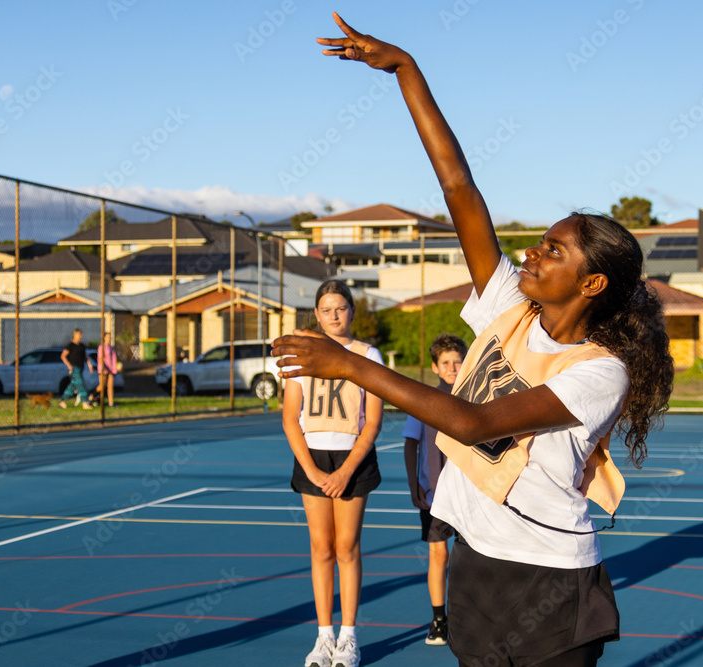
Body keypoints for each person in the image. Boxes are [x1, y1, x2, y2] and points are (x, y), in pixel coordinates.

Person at [273, 13, 674, 667]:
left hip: (552, 583)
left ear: (593, 282)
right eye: (539, 242)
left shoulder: (598, 371)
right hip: (477, 567)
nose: (532, 254)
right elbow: (458, 184)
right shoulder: (509, 308)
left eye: (553, 250)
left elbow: (473, 418)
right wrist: (406, 71)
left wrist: (348, 364)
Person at [281, 279, 384, 667]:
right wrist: (311, 469)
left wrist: (344, 472)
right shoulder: (301, 357)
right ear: (317, 315)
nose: (335, 315)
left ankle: (348, 637)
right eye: (327, 309)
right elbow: (291, 420)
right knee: (321, 548)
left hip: (352, 459)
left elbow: (372, 422)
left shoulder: (367, 354)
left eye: (341, 308)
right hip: (313, 458)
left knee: (347, 548)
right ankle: (323, 638)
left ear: (352, 311)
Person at [402, 333, 467, 647]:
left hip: (471, 494)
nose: (453, 367)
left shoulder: (475, 397)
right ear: (435, 367)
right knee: (438, 553)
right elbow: (410, 442)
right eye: (446, 363)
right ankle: (439, 619)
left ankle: (467, 616)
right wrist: (414, 482)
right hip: (435, 493)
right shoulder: (424, 400)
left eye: (457, 361)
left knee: (471, 557)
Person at [59, 328, 94, 410]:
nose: (81, 336)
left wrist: (90, 365)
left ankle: (62, 401)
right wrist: (68, 365)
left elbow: (85, 357)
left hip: (81, 368)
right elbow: (63, 356)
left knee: (72, 386)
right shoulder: (70, 345)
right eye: (79, 334)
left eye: (81, 334)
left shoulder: (82, 346)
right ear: (75, 335)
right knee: (81, 384)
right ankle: (85, 403)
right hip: (74, 369)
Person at [95, 332, 119, 407]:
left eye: (110, 337)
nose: (109, 339)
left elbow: (114, 358)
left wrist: (117, 367)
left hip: (111, 369)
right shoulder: (101, 347)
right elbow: (101, 358)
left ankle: (111, 403)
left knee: (110, 386)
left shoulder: (111, 347)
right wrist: (103, 367)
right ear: (104, 338)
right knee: (102, 386)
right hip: (104, 369)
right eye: (108, 337)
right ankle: (92, 396)